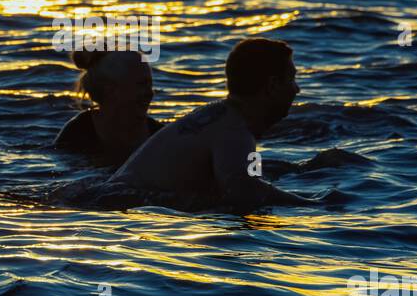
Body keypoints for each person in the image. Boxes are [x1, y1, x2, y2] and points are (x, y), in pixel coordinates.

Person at [107, 37, 314, 209]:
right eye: (292, 79)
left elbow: (250, 175)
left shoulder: (222, 119)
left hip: (109, 197)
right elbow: (245, 193)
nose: (297, 90)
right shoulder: (235, 132)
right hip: (115, 208)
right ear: (272, 85)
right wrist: (313, 205)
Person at [54, 50, 164, 165]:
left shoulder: (160, 136)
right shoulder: (77, 132)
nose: (149, 93)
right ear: (111, 90)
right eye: (141, 84)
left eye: (150, 85)